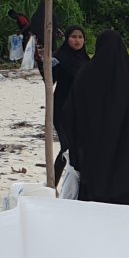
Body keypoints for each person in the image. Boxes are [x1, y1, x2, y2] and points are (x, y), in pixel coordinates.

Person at [60, 28, 129, 205]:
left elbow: (69, 114)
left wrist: (74, 146)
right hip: (127, 159)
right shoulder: (128, 75)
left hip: (94, 158)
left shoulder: (86, 74)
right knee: (127, 214)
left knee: (94, 212)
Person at [50, 24, 89, 185]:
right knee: (66, 148)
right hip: (61, 109)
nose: (77, 40)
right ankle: (52, 183)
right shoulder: (59, 58)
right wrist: (45, 63)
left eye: (80, 37)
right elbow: (49, 80)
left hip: (81, 110)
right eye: (73, 37)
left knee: (80, 148)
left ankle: (78, 185)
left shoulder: (86, 59)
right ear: (67, 38)